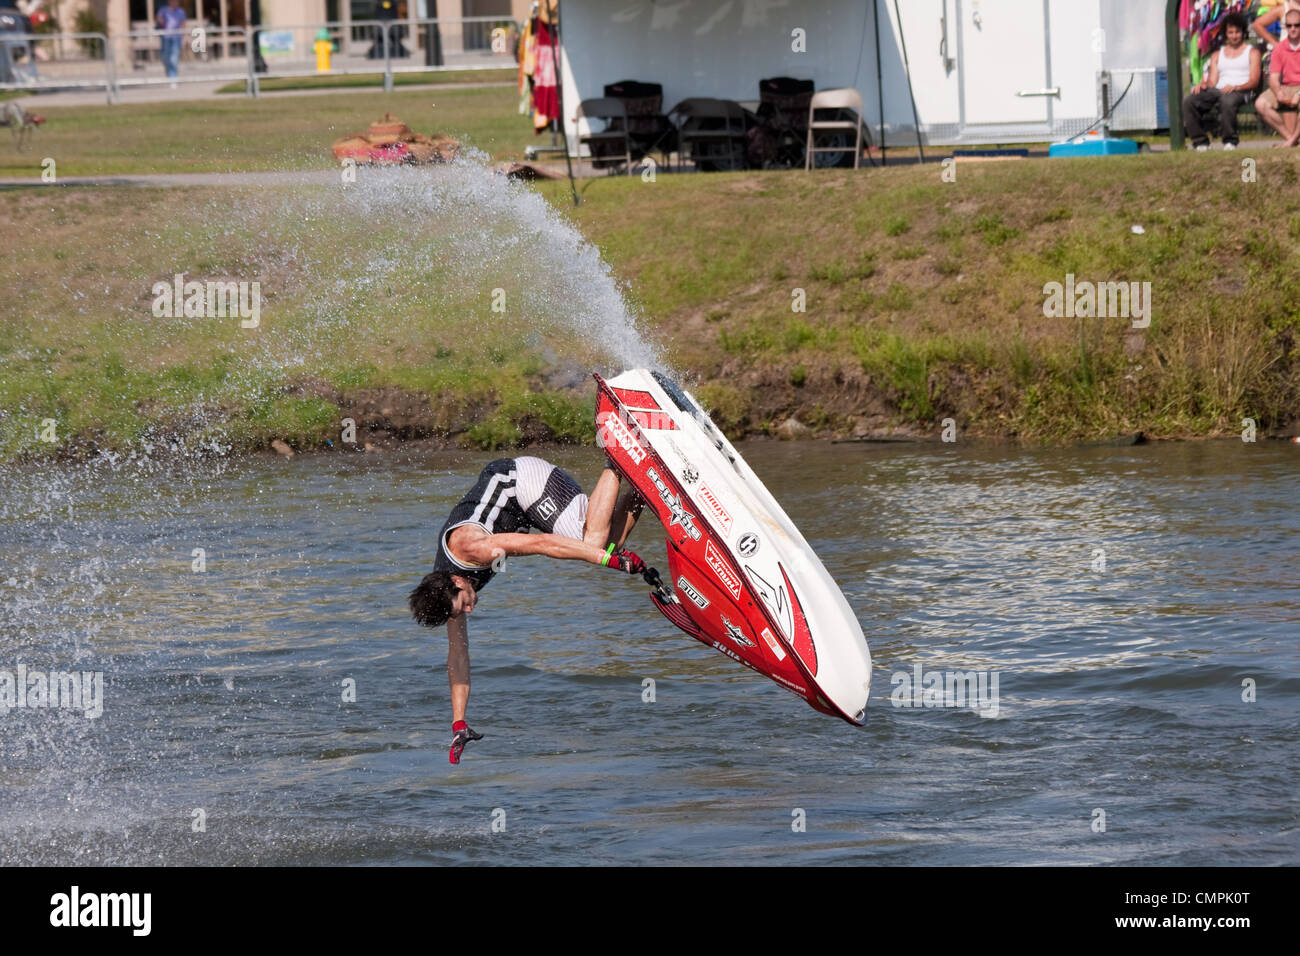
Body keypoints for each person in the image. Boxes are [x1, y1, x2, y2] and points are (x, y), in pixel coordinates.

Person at [409, 456, 645, 763]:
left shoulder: (475, 550)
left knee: (594, 542)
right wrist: (459, 723)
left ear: (455, 580)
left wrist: (604, 561)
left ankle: (617, 457)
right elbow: (458, 655)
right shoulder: (448, 591)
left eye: (463, 603)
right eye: (459, 611)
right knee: (611, 541)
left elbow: (544, 543)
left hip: (521, 481)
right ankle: (645, 484)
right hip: (523, 505)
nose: (467, 609)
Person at [1183, 13, 1261, 151]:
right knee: (1190, 100)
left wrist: (1236, 87)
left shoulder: (1252, 52)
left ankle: (1229, 141)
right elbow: (1212, 81)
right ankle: (1200, 142)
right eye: (1230, 32)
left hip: (1241, 91)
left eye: (1237, 32)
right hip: (1219, 89)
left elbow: (1254, 81)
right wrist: (1203, 85)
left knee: (1227, 101)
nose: (1234, 36)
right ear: (1225, 34)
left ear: (1243, 32)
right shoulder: (1217, 55)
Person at [1256, 8, 1300, 146]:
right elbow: (1274, 78)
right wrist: (1278, 92)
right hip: (1286, 86)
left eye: (1297, 25)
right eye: (1289, 25)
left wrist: (1298, 93)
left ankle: (1291, 141)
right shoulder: (1279, 48)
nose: (1293, 29)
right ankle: (1291, 139)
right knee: (1260, 104)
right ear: (1285, 27)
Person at [156, 0, 186, 88]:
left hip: (176, 37)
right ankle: (169, 73)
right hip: (166, 37)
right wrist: (161, 21)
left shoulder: (180, 11)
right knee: (165, 58)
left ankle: (173, 79)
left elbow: (183, 23)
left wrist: (184, 33)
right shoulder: (163, 10)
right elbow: (159, 19)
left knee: (174, 58)